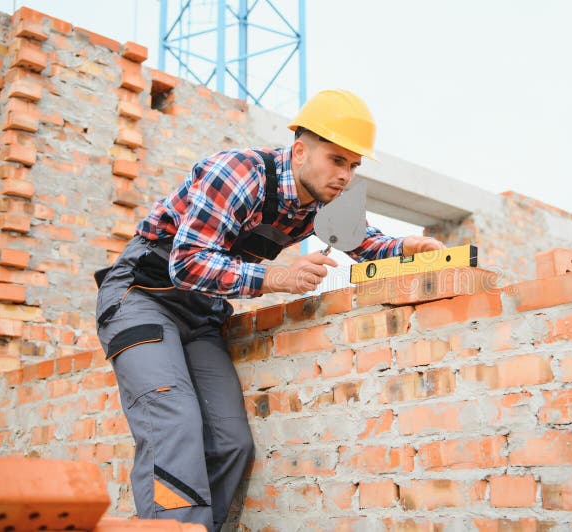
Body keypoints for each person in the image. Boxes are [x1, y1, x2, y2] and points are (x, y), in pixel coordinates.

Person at [94, 89, 445, 531]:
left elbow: (368, 244)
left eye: (354, 166)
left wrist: (406, 247)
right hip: (141, 299)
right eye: (337, 160)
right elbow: (186, 262)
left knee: (231, 443)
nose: (346, 175)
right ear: (300, 151)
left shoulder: (322, 199)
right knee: (174, 427)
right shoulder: (237, 174)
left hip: (200, 314)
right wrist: (275, 277)